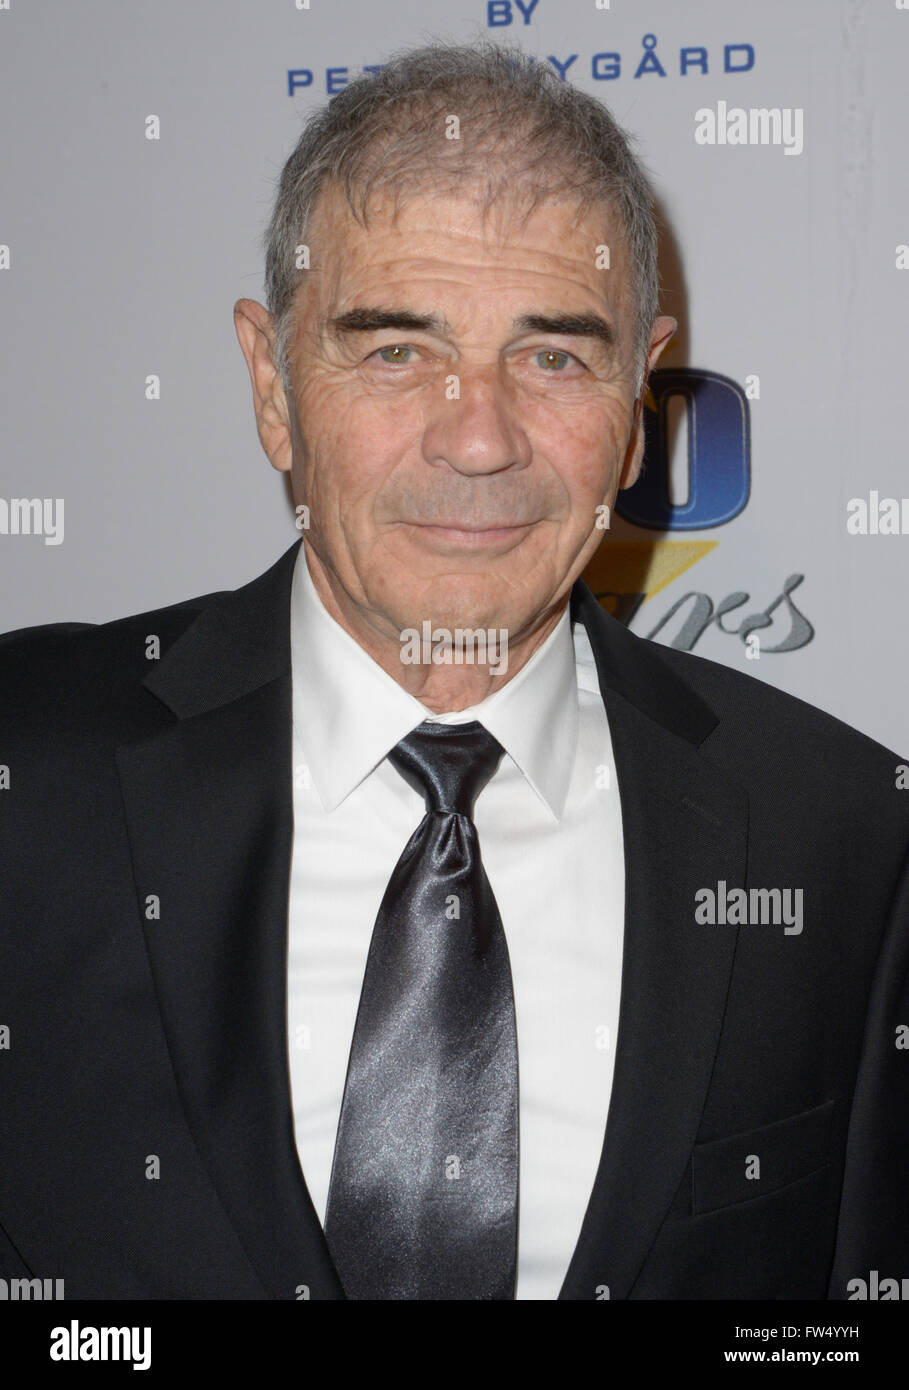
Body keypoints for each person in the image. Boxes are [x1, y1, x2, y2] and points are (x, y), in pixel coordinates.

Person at [1, 41, 907, 1302]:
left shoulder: (846, 837)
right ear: (272, 386)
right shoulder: (27, 778)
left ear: (638, 396)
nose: (478, 438)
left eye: (553, 357)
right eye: (393, 350)